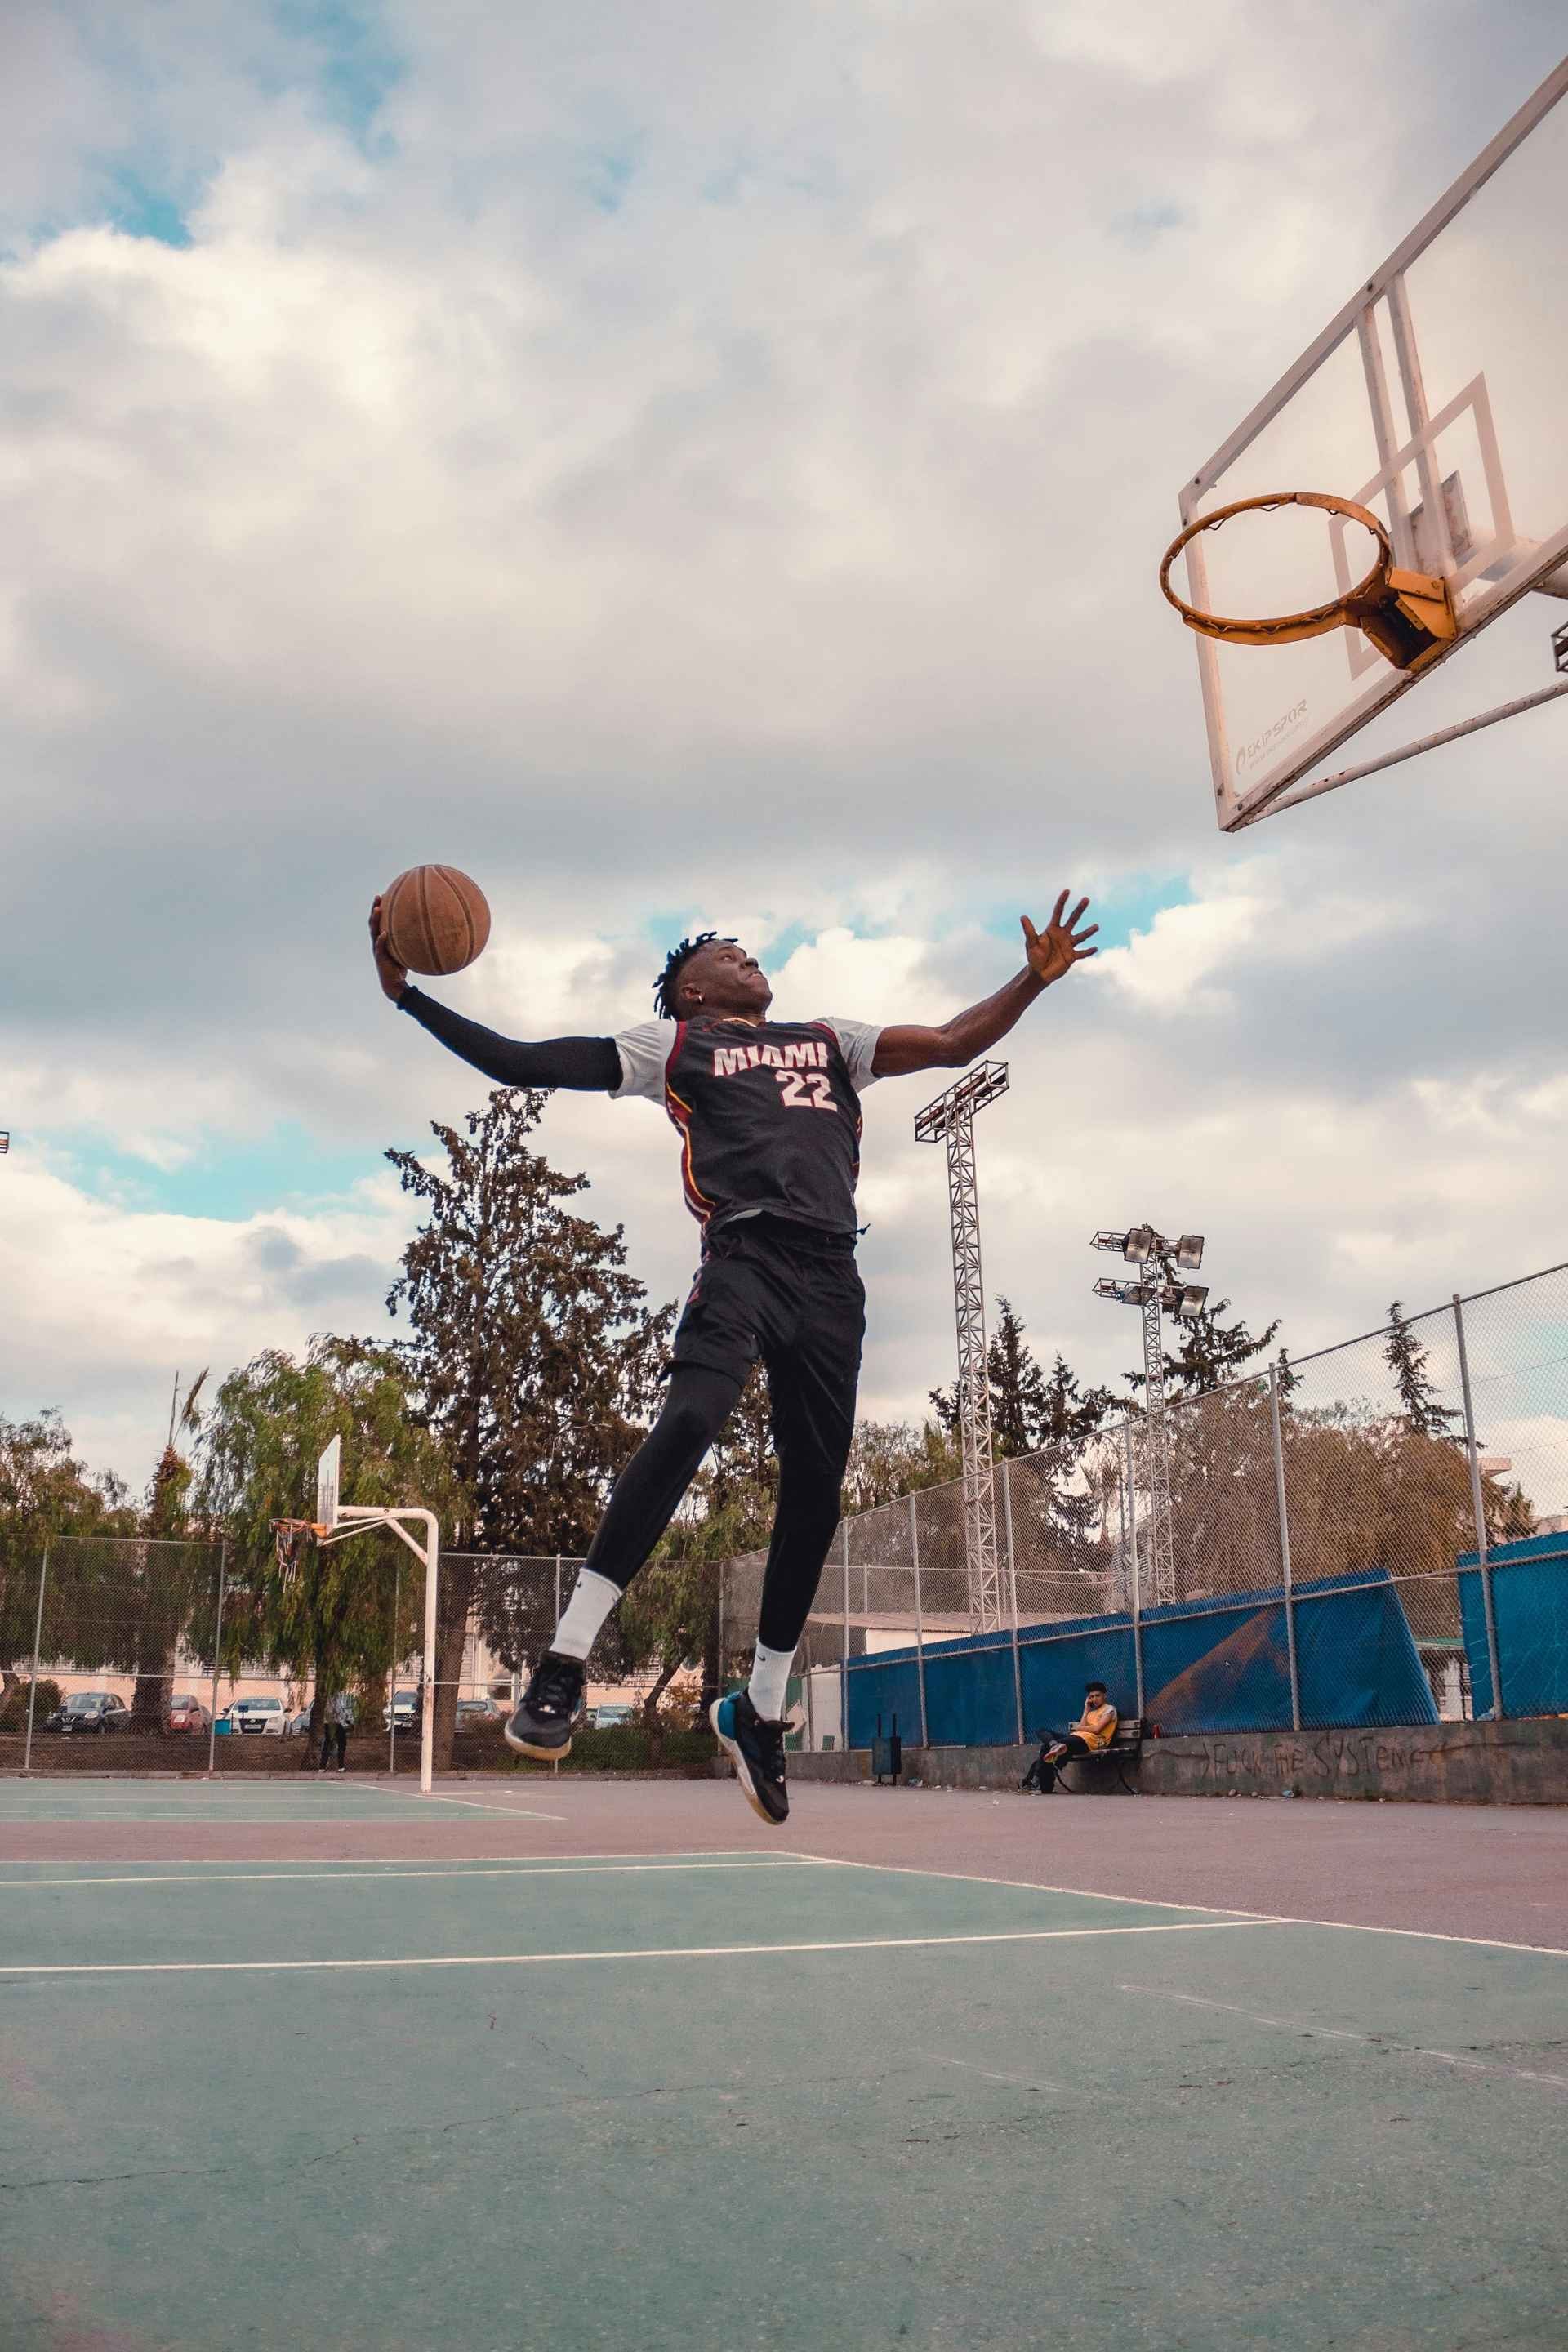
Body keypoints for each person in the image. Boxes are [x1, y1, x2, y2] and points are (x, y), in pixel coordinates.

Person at [371, 890, 1097, 1825]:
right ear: (690, 991)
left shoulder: (831, 1036)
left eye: (747, 949)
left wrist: (1030, 982)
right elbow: (521, 1062)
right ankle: (564, 1663)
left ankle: (758, 1708)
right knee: (689, 1420)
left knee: (816, 1496)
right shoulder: (671, 1047)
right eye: (725, 951)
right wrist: (408, 998)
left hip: (833, 1276)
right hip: (745, 1256)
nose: (746, 956)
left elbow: (955, 1042)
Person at [1025, 1681, 1119, 1792]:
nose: (1094, 1699)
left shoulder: (1109, 1709)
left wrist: (1079, 1728)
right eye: (1091, 1696)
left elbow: (1097, 1729)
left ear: (1105, 1695)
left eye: (1097, 1695)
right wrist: (1086, 1709)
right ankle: (1054, 1745)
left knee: (1046, 1748)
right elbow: (1083, 1726)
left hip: (1091, 1742)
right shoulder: (1091, 1712)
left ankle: (1037, 1782)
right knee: (1041, 1730)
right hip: (1078, 1738)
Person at [318, 1686, 354, 1773]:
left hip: (328, 1723)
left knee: (327, 1744)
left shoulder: (330, 1696)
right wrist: (347, 1720)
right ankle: (341, 1767)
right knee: (342, 1743)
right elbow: (338, 1711)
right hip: (335, 1724)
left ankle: (322, 1767)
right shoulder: (335, 1696)